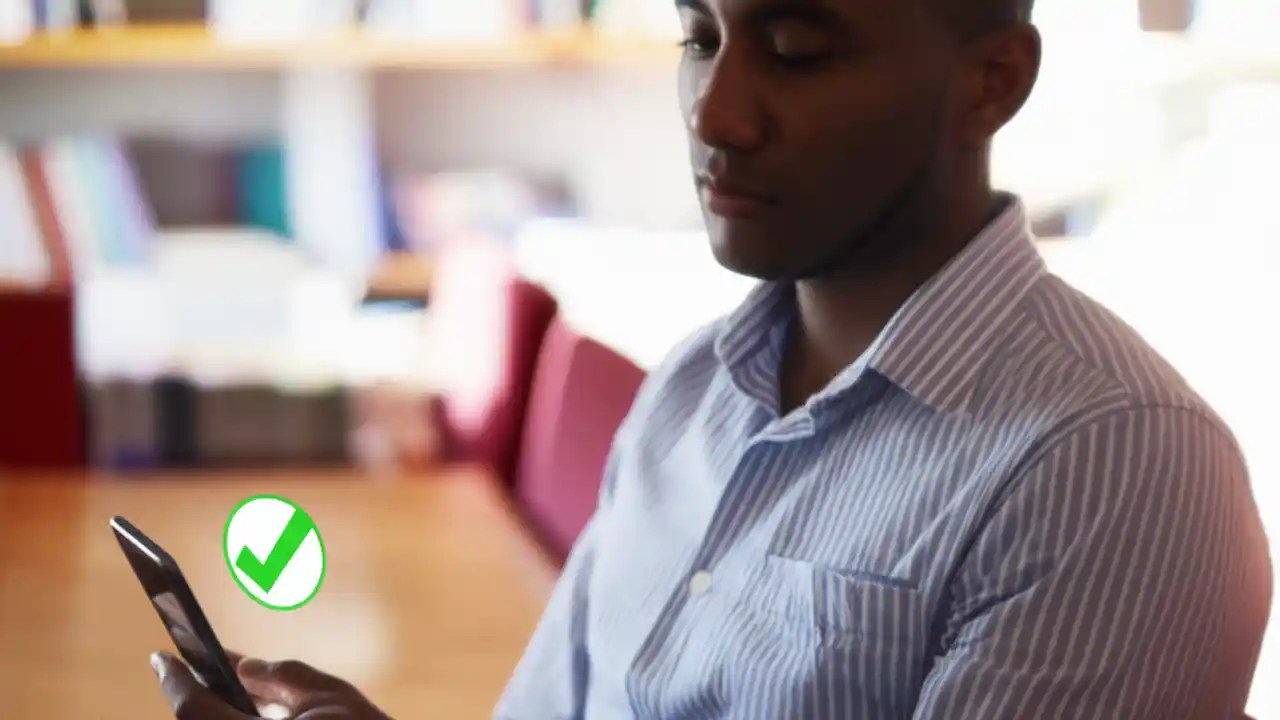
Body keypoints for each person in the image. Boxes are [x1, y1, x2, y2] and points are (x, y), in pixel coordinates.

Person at [150, 0, 1274, 717]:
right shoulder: (688, 392)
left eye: (796, 53)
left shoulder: (1120, 473)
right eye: (699, 38)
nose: (717, 115)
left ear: (992, 81)